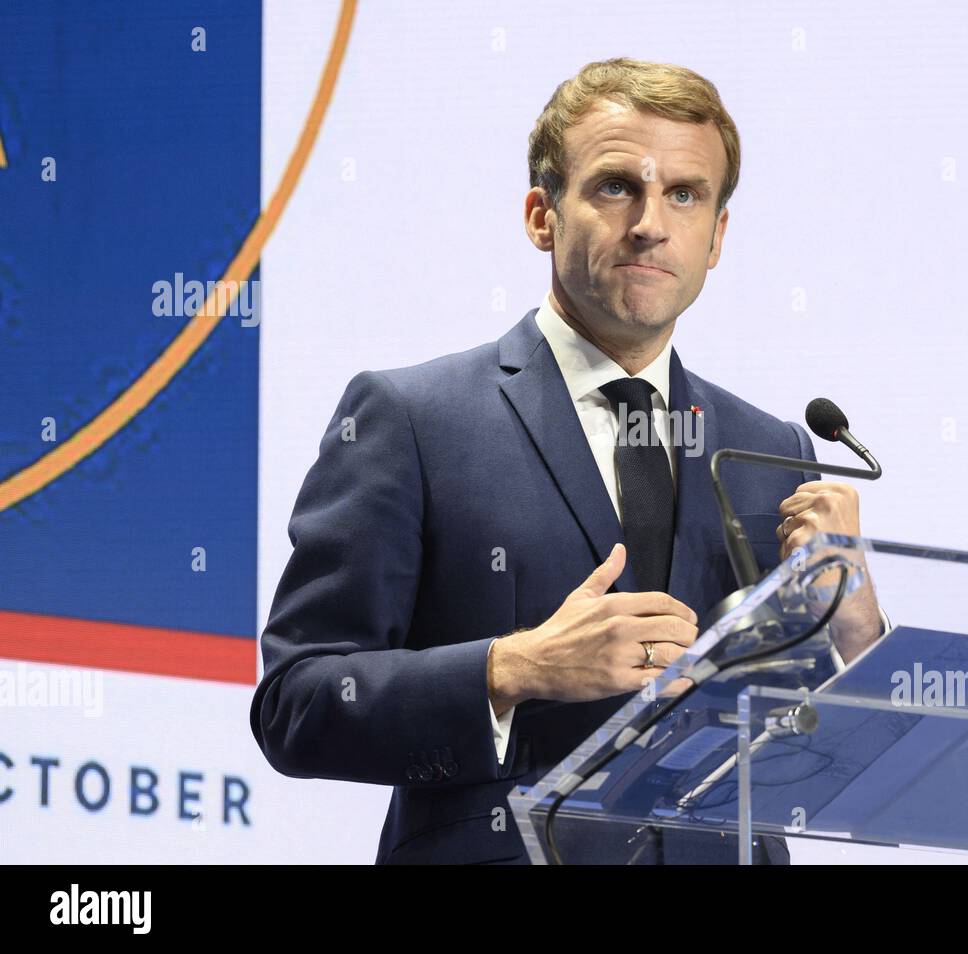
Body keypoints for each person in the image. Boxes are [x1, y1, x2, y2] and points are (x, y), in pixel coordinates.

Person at [249, 57, 885, 864]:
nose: (652, 223)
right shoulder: (412, 420)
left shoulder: (775, 453)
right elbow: (297, 707)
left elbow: (830, 748)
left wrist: (857, 622)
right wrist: (512, 668)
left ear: (717, 236)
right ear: (541, 215)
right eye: (617, 186)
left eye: (685, 194)